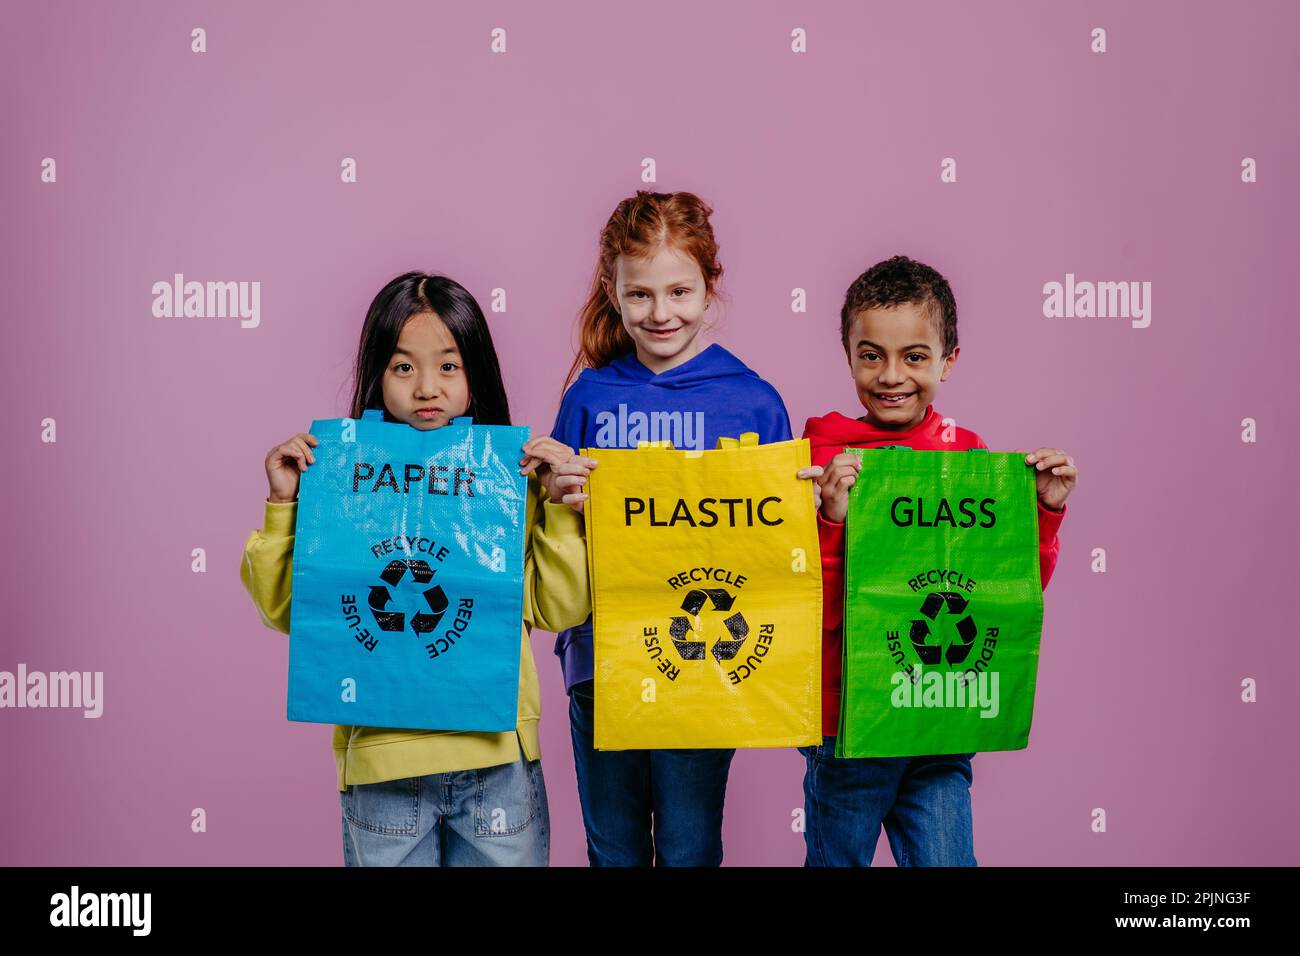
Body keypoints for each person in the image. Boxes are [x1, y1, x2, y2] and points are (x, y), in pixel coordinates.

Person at [239, 271, 591, 866]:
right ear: (377, 374)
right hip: (385, 769)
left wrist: (558, 506)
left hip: (496, 761)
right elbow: (285, 610)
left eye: (449, 366)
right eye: (404, 367)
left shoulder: (512, 477)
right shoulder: (336, 473)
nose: (427, 386)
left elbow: (559, 608)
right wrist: (283, 505)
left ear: (476, 374)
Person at [542, 190, 819, 866]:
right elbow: (552, 548)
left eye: (679, 291)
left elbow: (775, 551)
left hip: (705, 658)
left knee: (692, 848)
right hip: (600, 658)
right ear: (612, 289)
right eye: (639, 295)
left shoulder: (753, 400)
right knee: (614, 849)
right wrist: (554, 497)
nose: (660, 313)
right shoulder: (589, 398)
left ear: (709, 286)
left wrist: (804, 512)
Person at [802, 254, 1077, 866]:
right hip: (848, 719)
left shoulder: (971, 458)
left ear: (949, 359)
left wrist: (1044, 515)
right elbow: (804, 603)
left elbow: (1005, 594)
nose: (891, 375)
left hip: (939, 716)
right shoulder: (819, 453)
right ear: (846, 354)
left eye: (915, 356)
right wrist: (830, 518)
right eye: (870, 354)